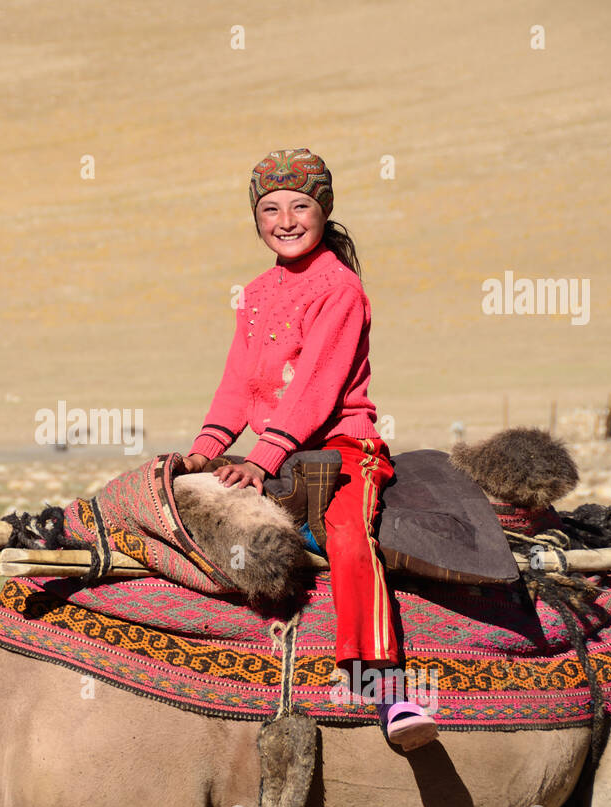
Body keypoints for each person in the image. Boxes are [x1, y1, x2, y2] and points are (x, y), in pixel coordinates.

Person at [179, 148, 437, 752]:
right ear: (256, 218)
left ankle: (386, 687)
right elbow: (237, 383)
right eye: (270, 208)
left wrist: (261, 458)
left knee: (349, 536)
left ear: (323, 211)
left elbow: (317, 386)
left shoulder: (341, 289)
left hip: (344, 446)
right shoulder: (254, 293)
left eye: (301, 205)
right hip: (271, 452)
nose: (286, 219)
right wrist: (204, 450)